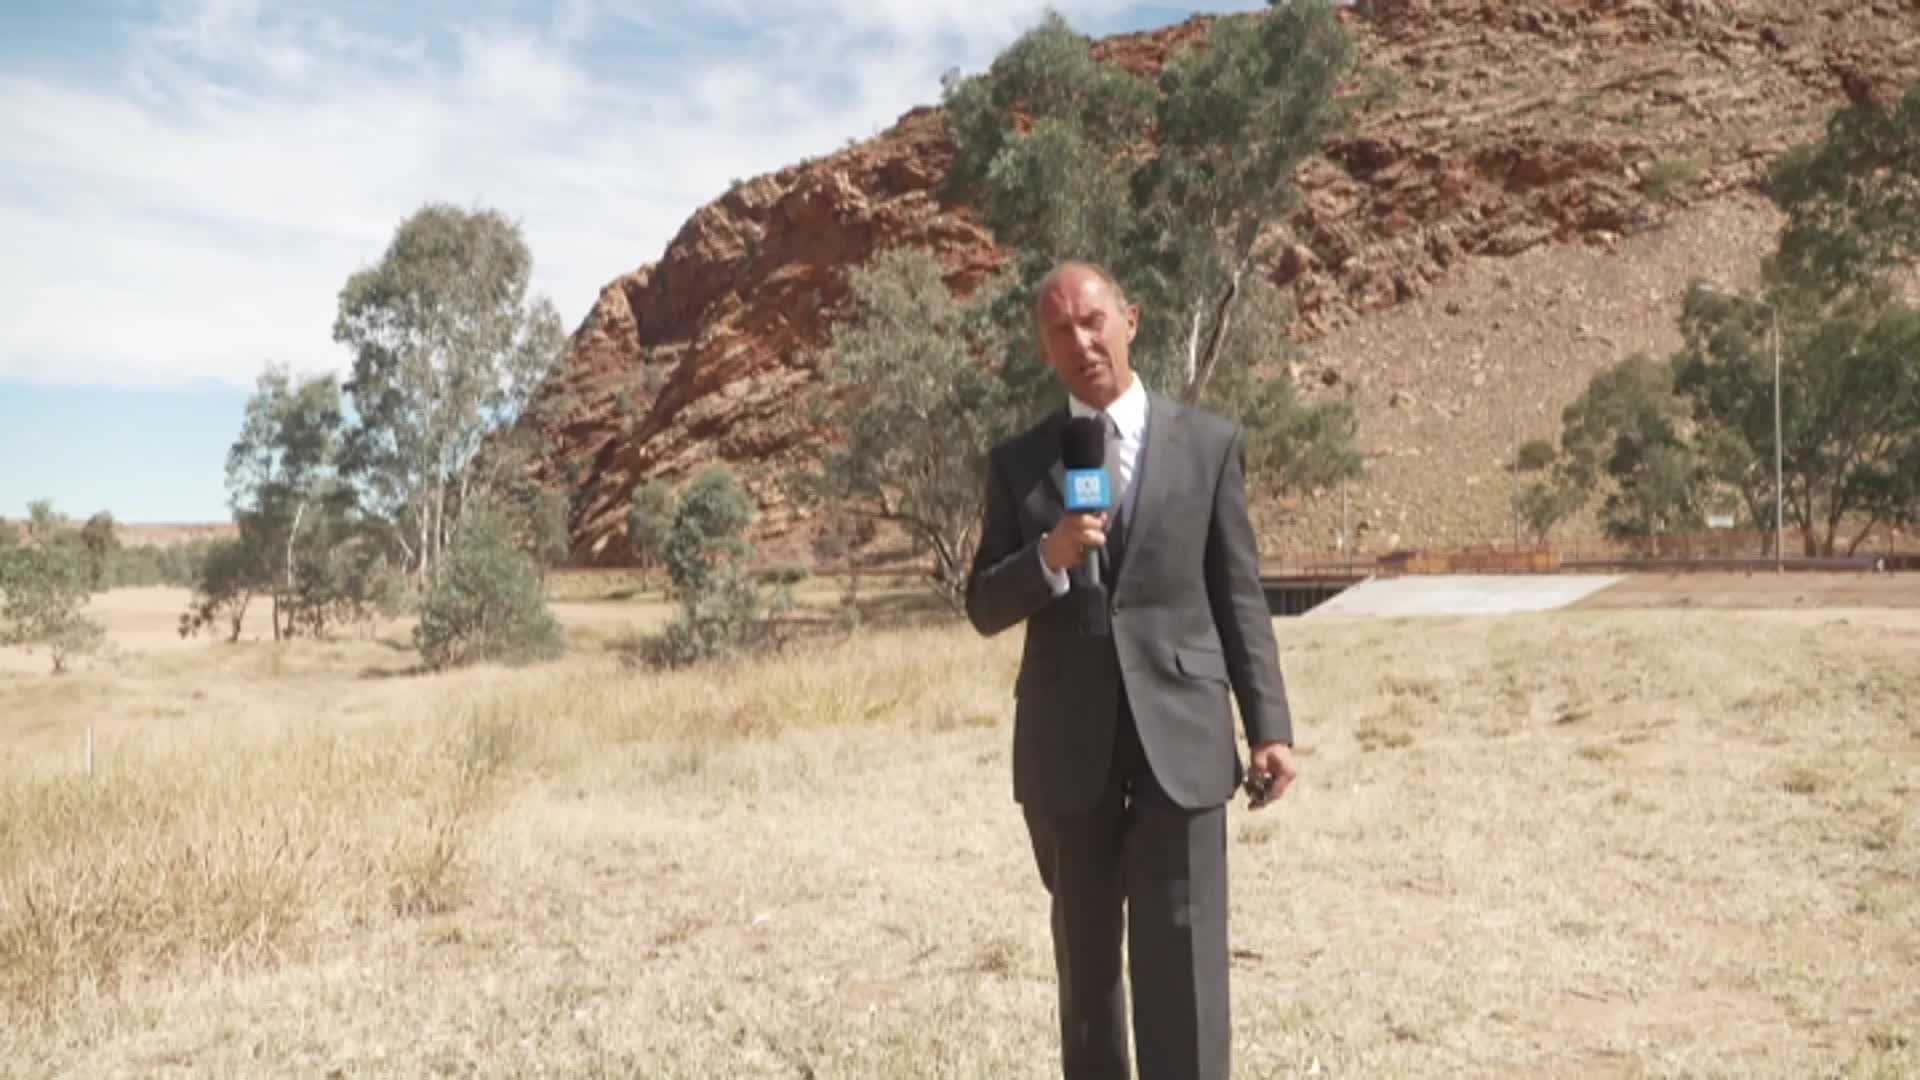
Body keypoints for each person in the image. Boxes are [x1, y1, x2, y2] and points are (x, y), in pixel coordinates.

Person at [964, 260, 1299, 1080]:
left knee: (1184, 960)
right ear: (1044, 349)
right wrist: (1048, 554)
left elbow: (1239, 597)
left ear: (1131, 318)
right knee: (1086, 972)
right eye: (1059, 331)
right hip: (1065, 752)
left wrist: (1271, 728)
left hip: (1180, 741)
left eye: (1093, 320)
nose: (1081, 341)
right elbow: (982, 604)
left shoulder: (1210, 445)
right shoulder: (1020, 462)